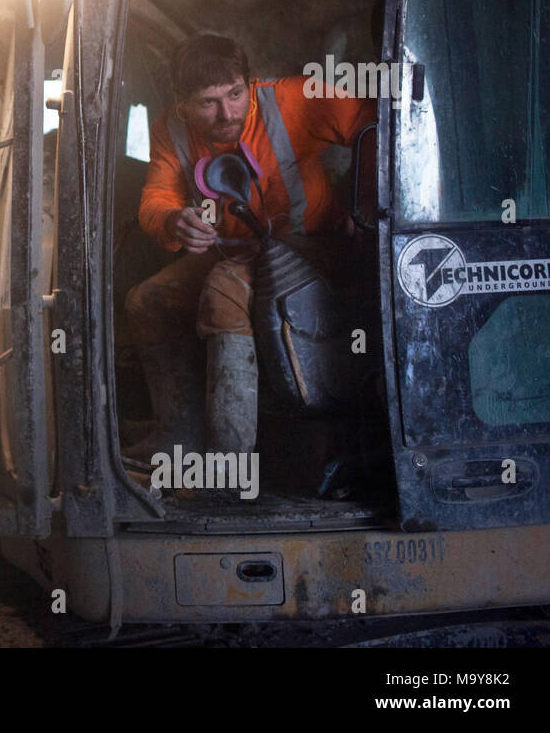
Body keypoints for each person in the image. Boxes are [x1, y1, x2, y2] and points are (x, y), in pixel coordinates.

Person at [124, 33, 375, 462]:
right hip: (236, 250)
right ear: (183, 103)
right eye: (208, 102)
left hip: (314, 245)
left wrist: (367, 203)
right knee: (149, 300)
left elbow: (376, 124)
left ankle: (229, 460)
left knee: (224, 291)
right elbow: (157, 198)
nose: (227, 113)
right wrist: (172, 220)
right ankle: (180, 436)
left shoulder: (294, 98)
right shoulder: (170, 127)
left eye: (236, 94)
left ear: (249, 82)